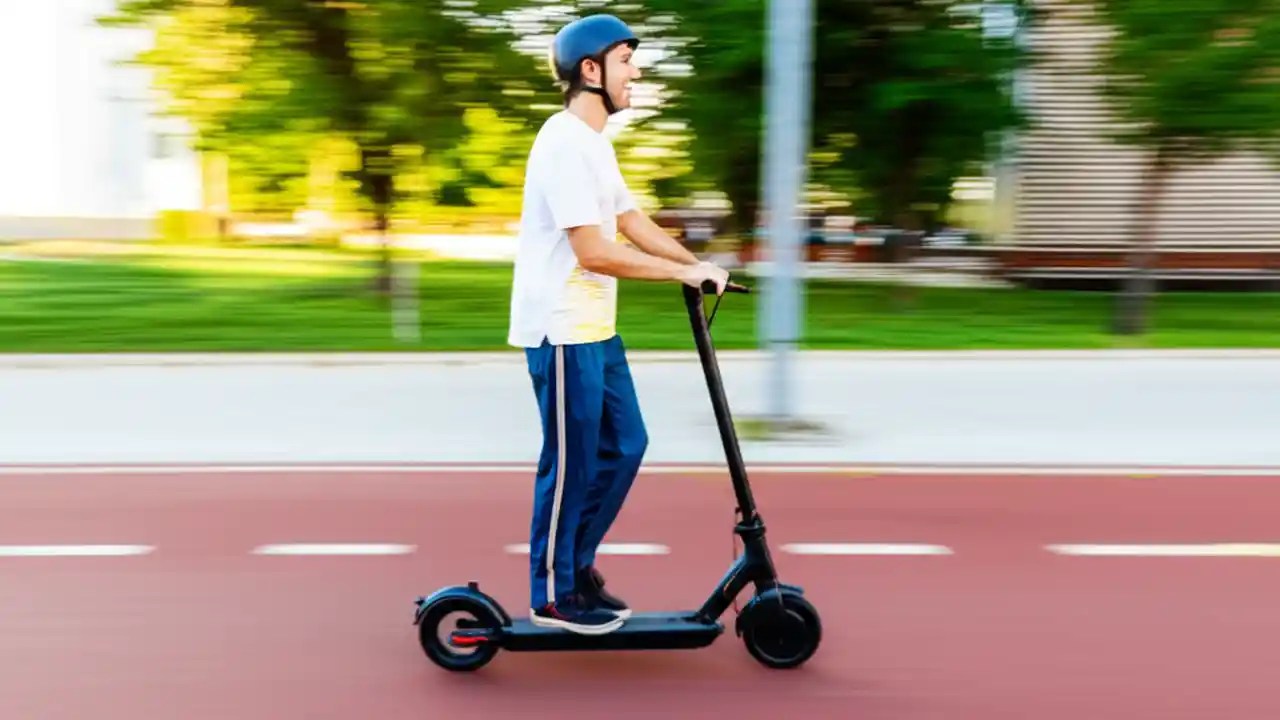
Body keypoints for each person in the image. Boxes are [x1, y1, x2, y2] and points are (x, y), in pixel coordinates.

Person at [506, 13, 730, 636]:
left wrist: (701, 265)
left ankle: (575, 567)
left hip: (595, 331)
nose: (636, 72)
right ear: (590, 70)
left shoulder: (595, 145)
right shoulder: (561, 142)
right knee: (572, 463)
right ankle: (552, 593)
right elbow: (594, 252)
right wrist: (682, 278)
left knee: (626, 446)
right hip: (561, 332)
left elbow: (630, 222)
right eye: (626, 61)